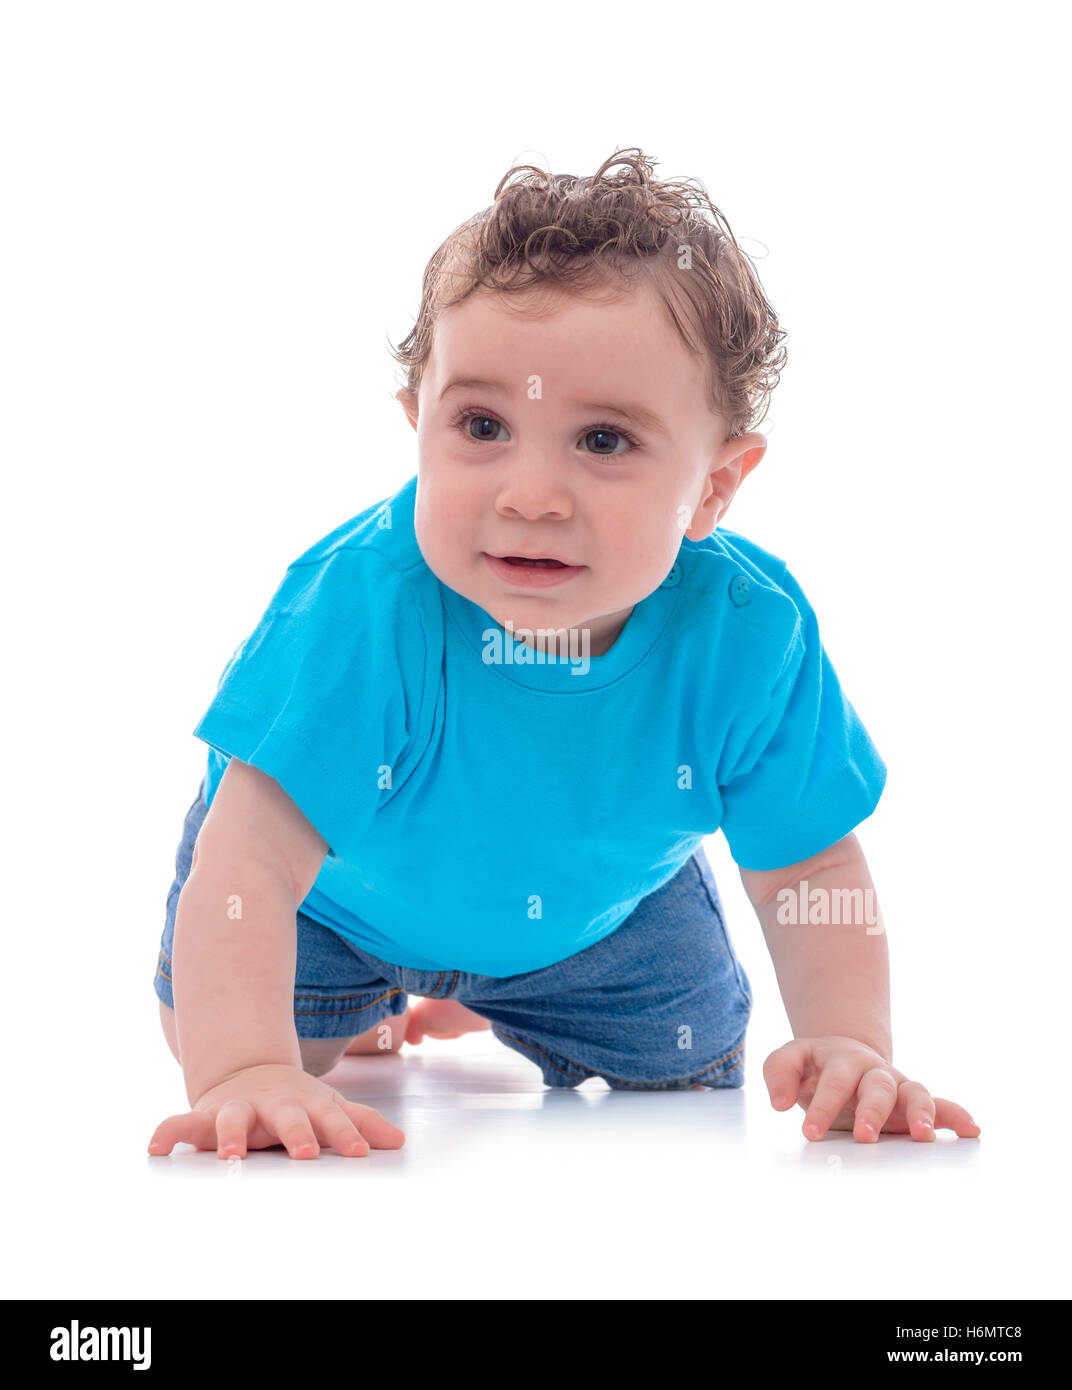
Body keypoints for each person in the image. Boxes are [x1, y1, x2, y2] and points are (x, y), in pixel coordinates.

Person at [149, 148, 980, 1160]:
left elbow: (806, 863)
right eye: (483, 425)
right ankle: (371, 999)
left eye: (604, 442)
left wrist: (850, 1040)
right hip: (330, 904)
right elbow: (249, 860)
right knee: (268, 1069)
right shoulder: (362, 607)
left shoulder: (747, 633)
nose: (530, 493)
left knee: (685, 1072)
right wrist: (243, 1068)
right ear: (418, 427)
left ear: (716, 485)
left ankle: (496, 989)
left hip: (597, 929)